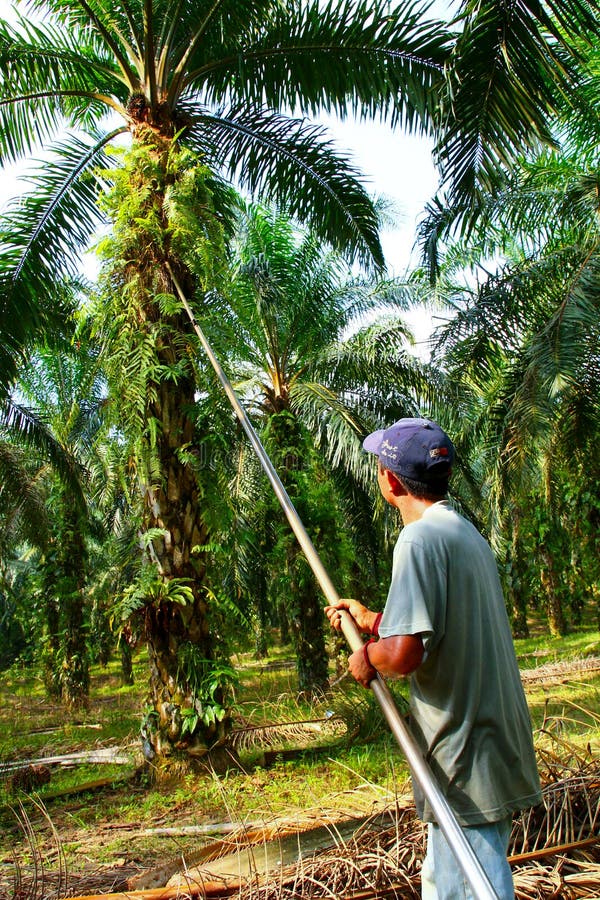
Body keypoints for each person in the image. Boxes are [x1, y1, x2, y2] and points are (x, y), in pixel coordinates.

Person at [325, 418, 542, 900]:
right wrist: (374, 620)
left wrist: (367, 657)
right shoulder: (464, 534)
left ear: (391, 480)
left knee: (471, 883)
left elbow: (404, 655)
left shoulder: (418, 539)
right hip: (487, 738)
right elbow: (444, 621)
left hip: (464, 749)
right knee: (452, 880)